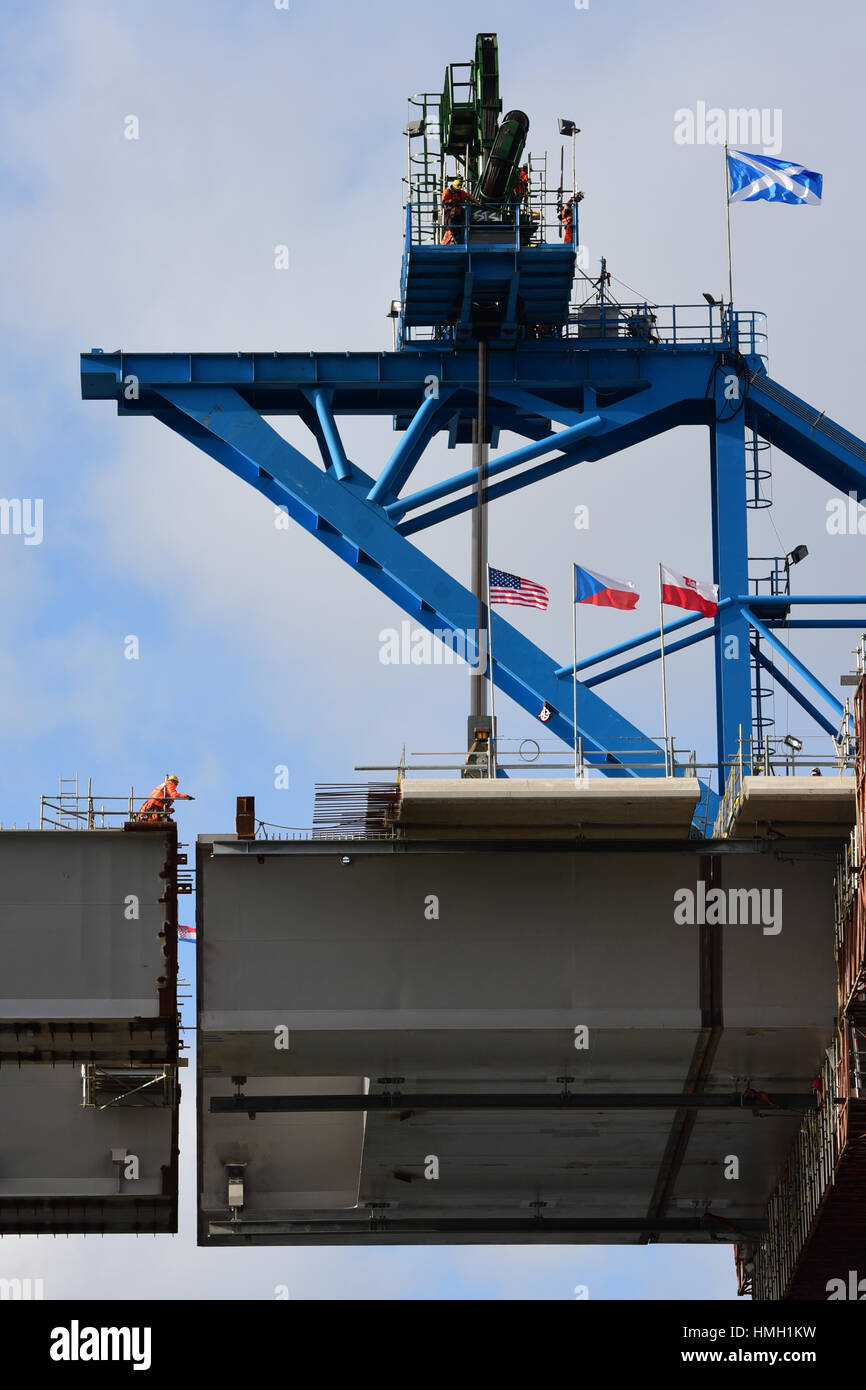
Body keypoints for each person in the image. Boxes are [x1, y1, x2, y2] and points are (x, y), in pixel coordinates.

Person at [441, 176, 476, 245]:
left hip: (459, 213)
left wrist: (477, 201)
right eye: (457, 189)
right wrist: (451, 201)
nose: (458, 190)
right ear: (453, 186)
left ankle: (460, 239)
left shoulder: (461, 192)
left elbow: (468, 197)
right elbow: (444, 202)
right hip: (450, 213)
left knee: (460, 227)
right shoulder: (447, 192)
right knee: (452, 227)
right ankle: (458, 242)